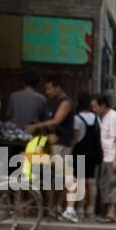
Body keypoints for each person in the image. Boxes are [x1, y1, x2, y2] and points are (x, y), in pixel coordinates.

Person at [26, 74, 74, 218]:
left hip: (61, 144)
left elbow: (56, 121)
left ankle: (59, 206)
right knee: (51, 176)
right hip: (51, 144)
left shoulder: (65, 103)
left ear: (58, 88)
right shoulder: (52, 103)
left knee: (62, 176)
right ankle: (51, 206)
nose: (47, 92)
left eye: (49, 89)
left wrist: (36, 126)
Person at [93, 95, 116, 223]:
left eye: (96, 106)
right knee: (105, 184)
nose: (94, 109)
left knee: (114, 184)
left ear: (103, 105)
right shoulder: (104, 117)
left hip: (113, 155)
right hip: (107, 156)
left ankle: (112, 213)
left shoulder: (114, 117)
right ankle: (108, 212)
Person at [71, 92, 101, 220]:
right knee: (92, 182)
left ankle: (80, 208)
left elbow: (75, 138)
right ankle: (91, 208)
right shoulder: (96, 118)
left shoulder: (77, 118)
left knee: (80, 181)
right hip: (94, 153)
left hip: (80, 151)